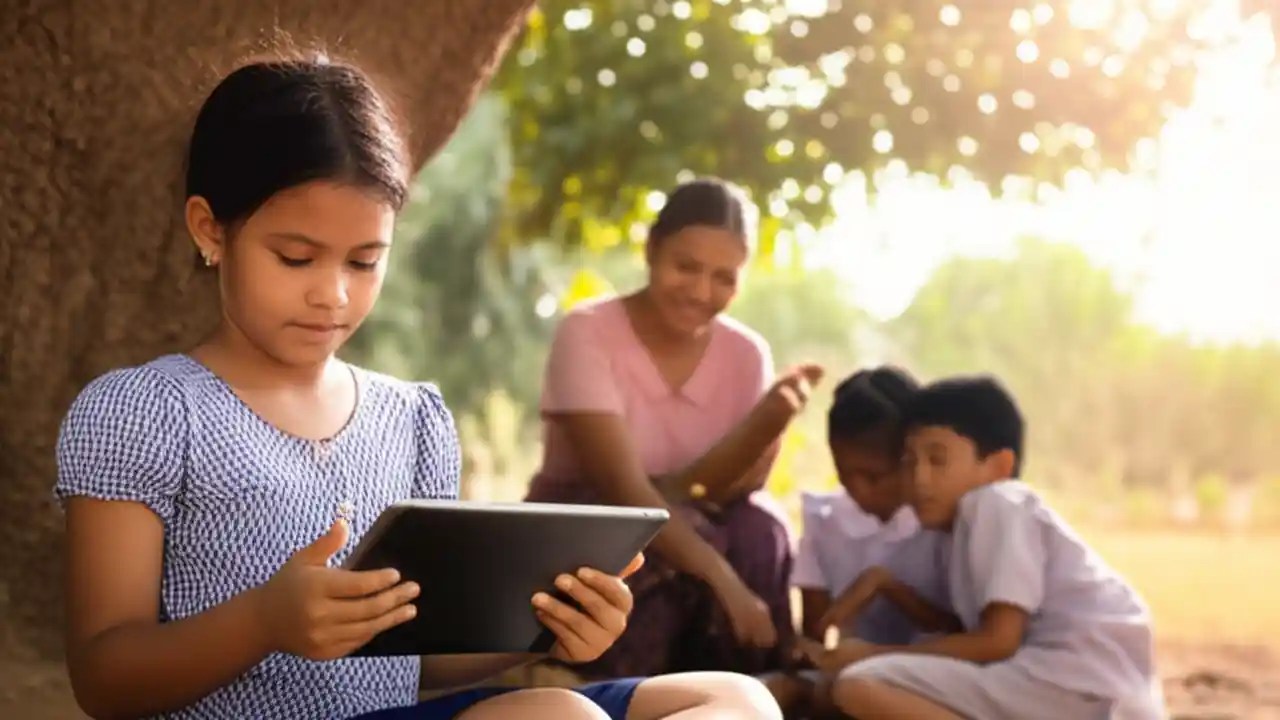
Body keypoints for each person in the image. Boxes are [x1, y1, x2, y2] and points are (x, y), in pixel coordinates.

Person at [53, 53, 782, 720]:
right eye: (297, 258)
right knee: (564, 717)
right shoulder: (144, 411)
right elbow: (104, 678)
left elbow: (417, 656)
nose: (332, 295)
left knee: (734, 698)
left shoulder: (411, 418)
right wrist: (262, 622)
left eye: (365, 262)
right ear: (210, 230)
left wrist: (543, 631)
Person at [526, 177, 824, 679]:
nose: (701, 292)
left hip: (694, 512)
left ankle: (750, 690)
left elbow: (731, 487)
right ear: (651, 250)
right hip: (596, 514)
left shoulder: (746, 354)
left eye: (724, 277)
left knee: (759, 528)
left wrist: (770, 423)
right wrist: (726, 582)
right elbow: (624, 494)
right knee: (646, 547)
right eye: (685, 266)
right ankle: (622, 691)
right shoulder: (589, 333)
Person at [805, 376, 1163, 720]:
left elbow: (997, 642)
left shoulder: (997, 503)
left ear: (998, 467)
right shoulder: (962, 526)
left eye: (937, 460)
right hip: (1061, 682)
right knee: (855, 684)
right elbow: (963, 631)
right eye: (910, 462)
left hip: (1074, 681)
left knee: (859, 684)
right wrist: (887, 584)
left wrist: (872, 653)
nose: (919, 479)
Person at [761, 367, 956, 719]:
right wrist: (805, 651)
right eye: (844, 473)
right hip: (853, 673)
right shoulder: (826, 520)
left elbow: (967, 634)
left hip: (939, 677)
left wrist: (886, 585)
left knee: (850, 693)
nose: (858, 489)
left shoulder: (947, 523)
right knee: (767, 691)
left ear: (912, 460)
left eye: (873, 476)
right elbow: (816, 633)